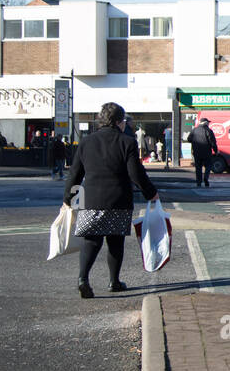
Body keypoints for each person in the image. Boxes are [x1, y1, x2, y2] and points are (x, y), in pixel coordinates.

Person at [63, 102, 159, 298]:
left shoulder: (86, 142)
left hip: (90, 200)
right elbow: (136, 173)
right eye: (123, 121)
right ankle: (113, 282)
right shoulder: (126, 142)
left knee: (91, 241)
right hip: (118, 199)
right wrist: (151, 193)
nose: (124, 124)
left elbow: (75, 174)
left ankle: (83, 278)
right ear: (117, 122)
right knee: (115, 241)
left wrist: (69, 198)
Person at [188, 118, 219, 187]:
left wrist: (195, 142)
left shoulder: (194, 130)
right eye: (208, 122)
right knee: (208, 166)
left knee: (198, 167)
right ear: (205, 123)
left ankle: (198, 182)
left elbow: (189, 139)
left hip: (196, 152)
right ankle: (206, 177)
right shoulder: (208, 130)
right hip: (207, 152)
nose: (209, 123)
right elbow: (213, 142)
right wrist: (216, 151)